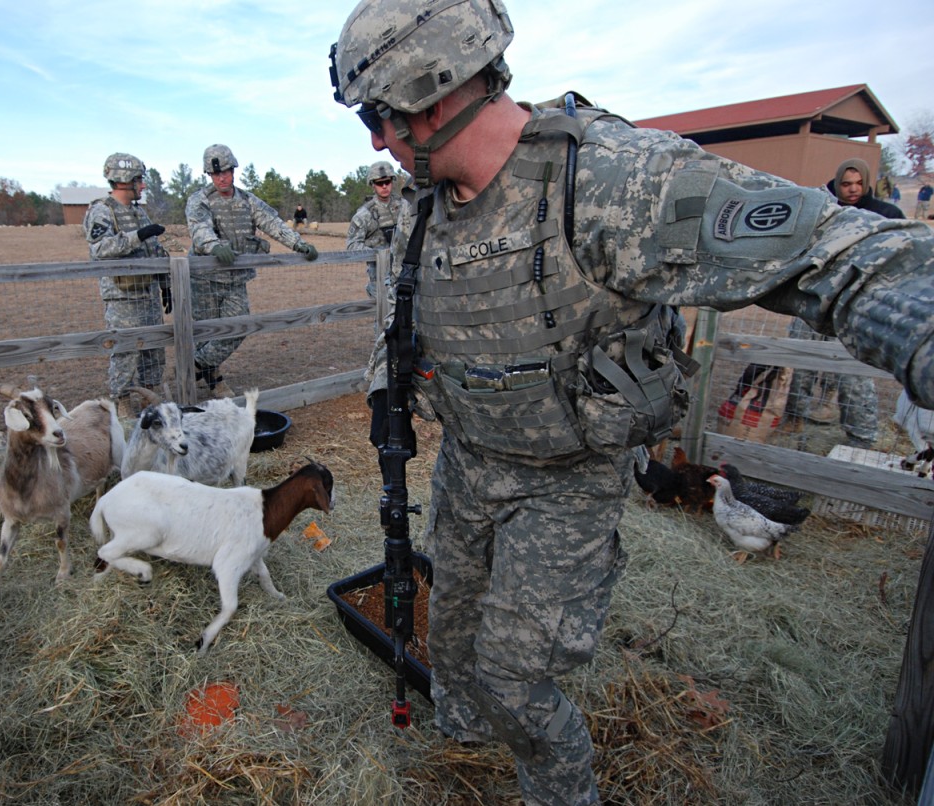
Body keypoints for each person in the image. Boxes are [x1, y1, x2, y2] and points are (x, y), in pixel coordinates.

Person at [329, 2, 934, 804]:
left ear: (430, 97)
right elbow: (405, 312)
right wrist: (384, 384)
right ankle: (463, 745)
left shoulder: (611, 177)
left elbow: (835, 248)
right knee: (456, 640)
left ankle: (562, 791)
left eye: (380, 117)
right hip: (468, 470)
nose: (376, 141)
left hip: (566, 480)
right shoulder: (425, 205)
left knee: (516, 681)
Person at [783, 158, 904, 448]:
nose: (852, 189)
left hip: (856, 306)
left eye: (858, 183)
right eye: (846, 184)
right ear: (837, 183)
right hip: (812, 299)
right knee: (797, 362)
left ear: (867, 183)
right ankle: (794, 417)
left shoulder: (885, 215)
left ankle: (861, 436)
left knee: (853, 373)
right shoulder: (824, 211)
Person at [185, 144, 319, 397]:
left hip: (235, 278)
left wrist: (297, 243)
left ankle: (195, 366)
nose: (222, 178)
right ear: (209, 176)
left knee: (240, 326)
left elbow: (272, 222)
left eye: (226, 172)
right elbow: (199, 228)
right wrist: (213, 246)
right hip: (204, 279)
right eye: (216, 174)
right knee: (206, 332)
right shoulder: (200, 200)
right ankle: (213, 380)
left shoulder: (247, 200)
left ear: (234, 171)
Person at [83, 152, 171, 411]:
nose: (143, 185)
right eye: (139, 180)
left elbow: (155, 249)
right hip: (123, 297)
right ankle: (121, 404)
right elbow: (100, 248)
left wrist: (166, 282)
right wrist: (138, 235)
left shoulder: (138, 212)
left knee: (153, 350)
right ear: (124, 180)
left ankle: (149, 400)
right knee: (125, 352)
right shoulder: (102, 211)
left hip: (147, 294)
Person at [346, 160, 411, 297]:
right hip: (380, 277)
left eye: (387, 182)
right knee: (383, 315)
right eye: (379, 183)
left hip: (406, 273)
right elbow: (352, 245)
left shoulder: (405, 206)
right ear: (372, 185)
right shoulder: (365, 214)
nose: (384, 186)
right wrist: (379, 254)